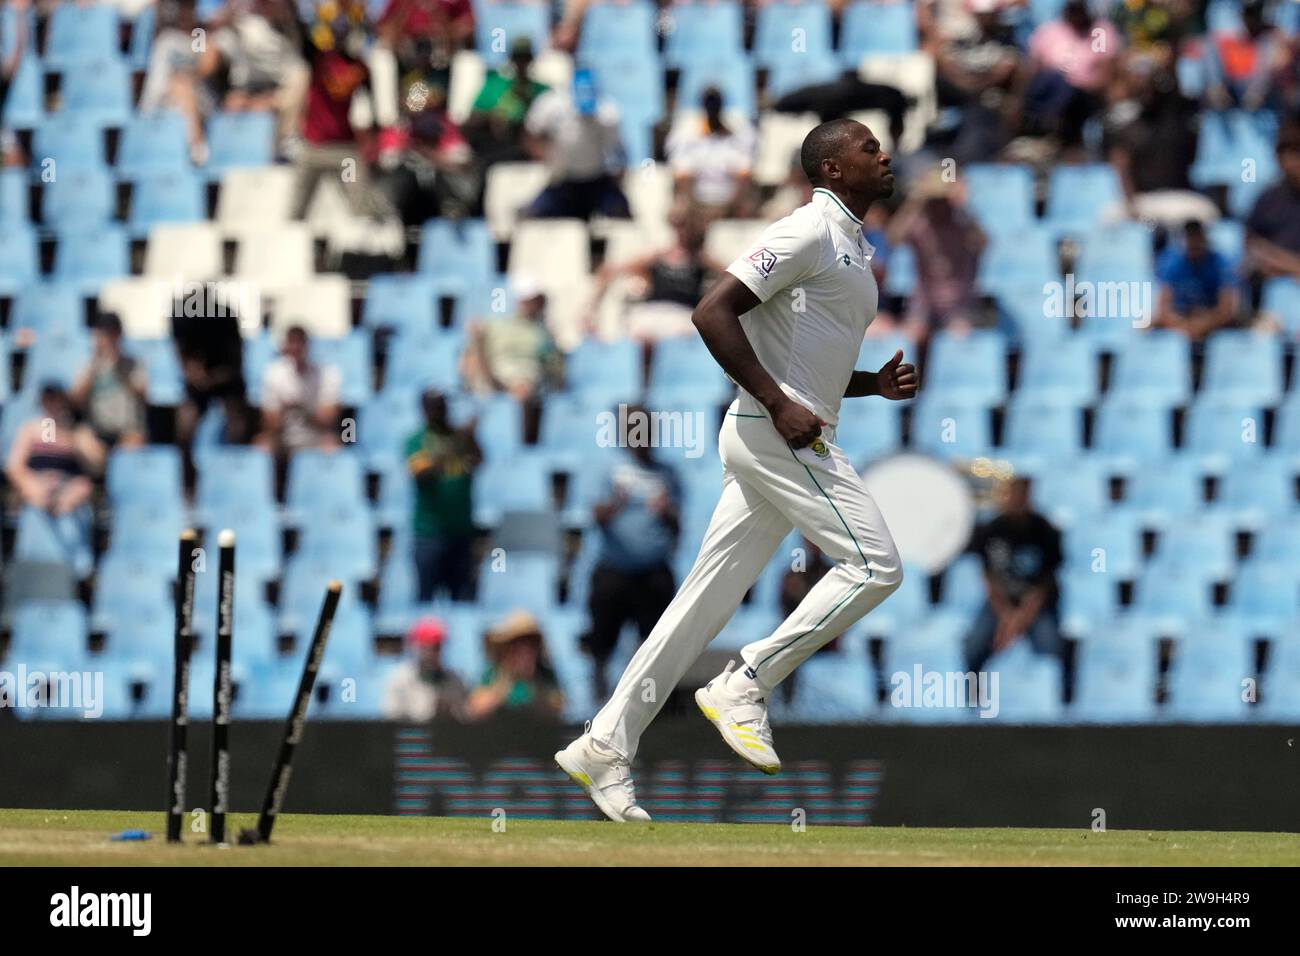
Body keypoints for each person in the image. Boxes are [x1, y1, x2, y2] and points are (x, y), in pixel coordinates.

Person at [555, 119, 918, 822]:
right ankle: (746, 681)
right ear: (833, 169)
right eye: (868, 147)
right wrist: (778, 404)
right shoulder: (805, 230)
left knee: (700, 603)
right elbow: (711, 311)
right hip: (772, 432)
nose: (885, 155)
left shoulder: (852, 245)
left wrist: (871, 385)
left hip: (778, 428)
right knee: (877, 567)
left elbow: (807, 363)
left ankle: (604, 742)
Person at [581, 434, 682, 699]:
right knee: (602, 639)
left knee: (654, 643)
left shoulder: (668, 474)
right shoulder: (608, 470)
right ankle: (598, 698)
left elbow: (679, 524)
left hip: (654, 572)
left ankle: (647, 701)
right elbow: (595, 517)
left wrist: (666, 511)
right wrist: (618, 502)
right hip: (614, 570)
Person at [962, 476, 1064, 678]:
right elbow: (988, 577)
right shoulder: (991, 529)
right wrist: (1006, 614)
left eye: (1021, 494)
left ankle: (1053, 696)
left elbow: (1044, 585)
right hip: (999, 602)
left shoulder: (1045, 530)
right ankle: (971, 695)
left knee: (1050, 650)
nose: (1015, 500)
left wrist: (1016, 621)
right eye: (1011, 494)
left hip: (1037, 605)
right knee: (973, 646)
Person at [584, 204, 723, 342]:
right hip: (652, 312)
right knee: (638, 333)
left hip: (683, 315)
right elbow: (610, 270)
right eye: (680, 225)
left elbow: (731, 277)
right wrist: (591, 310)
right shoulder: (658, 256)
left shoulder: (702, 259)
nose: (684, 231)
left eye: (687, 225)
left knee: (681, 336)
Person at [885, 166, 987, 343]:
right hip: (924, 302)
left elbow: (983, 242)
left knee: (959, 338)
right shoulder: (920, 226)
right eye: (933, 200)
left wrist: (963, 205)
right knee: (909, 338)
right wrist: (915, 201)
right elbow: (893, 237)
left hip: (958, 304)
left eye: (942, 200)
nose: (937, 206)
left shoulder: (963, 226)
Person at [460, 276, 563, 440]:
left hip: (526, 377)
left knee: (523, 383)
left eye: (534, 299)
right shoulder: (494, 324)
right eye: (527, 298)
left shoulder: (544, 333)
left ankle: (518, 436)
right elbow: (468, 359)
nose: (530, 303)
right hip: (493, 373)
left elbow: (556, 371)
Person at [522, 67, 630, 220]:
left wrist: (618, 177)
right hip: (562, 181)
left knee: (622, 215)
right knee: (534, 215)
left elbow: (619, 154)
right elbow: (531, 133)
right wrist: (545, 155)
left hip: (597, 180)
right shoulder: (551, 105)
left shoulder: (609, 113)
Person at [405, 387, 481, 602]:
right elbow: (420, 473)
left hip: (461, 531)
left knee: (462, 599)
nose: (439, 411)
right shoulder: (416, 440)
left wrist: (471, 437)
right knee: (425, 598)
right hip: (429, 532)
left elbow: (479, 460)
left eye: (441, 406)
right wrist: (454, 445)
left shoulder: (460, 438)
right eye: (434, 407)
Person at [256, 325, 342, 488]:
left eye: (299, 344)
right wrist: (284, 410)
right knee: (261, 447)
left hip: (316, 436)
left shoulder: (327, 373)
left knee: (335, 445)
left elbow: (328, 419)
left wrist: (301, 407)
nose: (295, 349)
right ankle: (269, 499)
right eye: (291, 344)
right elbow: (269, 422)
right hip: (283, 436)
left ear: (307, 346)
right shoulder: (273, 373)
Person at [139, 0, 223, 163]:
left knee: (181, 85)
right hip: (167, 97)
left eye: (189, 6)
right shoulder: (168, 37)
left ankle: (197, 145)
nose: (184, 11)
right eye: (181, 7)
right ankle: (149, 117)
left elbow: (204, 67)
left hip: (200, 95)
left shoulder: (199, 34)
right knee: (175, 88)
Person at [5, 384, 106, 515]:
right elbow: (14, 467)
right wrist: (33, 488)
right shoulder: (32, 429)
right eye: (48, 398)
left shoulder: (78, 433)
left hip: (70, 497)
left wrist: (77, 438)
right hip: (37, 496)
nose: (52, 403)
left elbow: (97, 466)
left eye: (56, 398)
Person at [666, 86, 757, 220]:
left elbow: (744, 173)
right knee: (678, 209)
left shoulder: (738, 133)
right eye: (709, 103)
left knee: (748, 201)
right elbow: (682, 174)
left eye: (716, 103)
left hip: (729, 204)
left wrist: (732, 205)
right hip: (696, 204)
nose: (713, 107)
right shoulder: (687, 133)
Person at [462, 36, 549, 168]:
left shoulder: (543, 90)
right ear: (511, 59)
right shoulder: (494, 84)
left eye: (525, 58)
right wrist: (492, 117)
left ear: (531, 59)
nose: (521, 62)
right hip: (498, 144)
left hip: (528, 145)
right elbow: (472, 118)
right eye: (518, 57)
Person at [466, 610, 565, 720]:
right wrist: (505, 682)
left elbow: (557, 707)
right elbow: (475, 708)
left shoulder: (545, 675)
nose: (524, 653)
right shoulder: (492, 673)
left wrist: (531, 681)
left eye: (530, 646)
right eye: (516, 646)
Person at [70, 313, 149, 449]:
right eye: (103, 334)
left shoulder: (133, 363)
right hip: (98, 433)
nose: (108, 340)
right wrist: (94, 367)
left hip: (128, 431)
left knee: (136, 441)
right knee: (82, 440)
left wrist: (120, 368)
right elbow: (75, 399)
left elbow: (144, 393)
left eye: (112, 334)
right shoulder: (88, 366)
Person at [1152, 219, 1238, 342]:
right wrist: (1182, 326)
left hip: (1212, 324)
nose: (1194, 241)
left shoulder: (1220, 263)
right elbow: (1163, 307)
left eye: (1197, 236)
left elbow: (1227, 309)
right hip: (1180, 321)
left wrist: (1201, 325)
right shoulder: (1170, 262)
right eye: (1190, 236)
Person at [1245, 121, 1300, 287]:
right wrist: (1293, 267)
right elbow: (1252, 245)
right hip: (1277, 281)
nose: (1295, 163)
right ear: (1279, 159)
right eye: (1289, 155)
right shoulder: (1268, 199)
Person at [382, 616, 468, 721]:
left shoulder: (456, 680)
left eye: (436, 647)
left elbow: (466, 719)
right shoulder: (400, 679)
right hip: (413, 736)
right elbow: (391, 721)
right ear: (415, 647)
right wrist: (428, 715)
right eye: (426, 647)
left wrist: (449, 714)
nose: (431, 653)